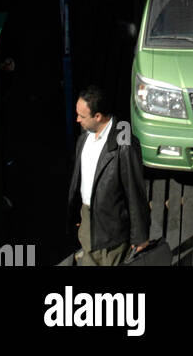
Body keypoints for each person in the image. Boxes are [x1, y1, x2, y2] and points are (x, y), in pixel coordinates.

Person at [68, 85, 150, 266]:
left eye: (82, 116)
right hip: (88, 225)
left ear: (98, 117)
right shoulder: (85, 136)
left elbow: (135, 192)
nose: (77, 120)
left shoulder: (124, 144)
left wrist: (141, 236)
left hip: (112, 233)